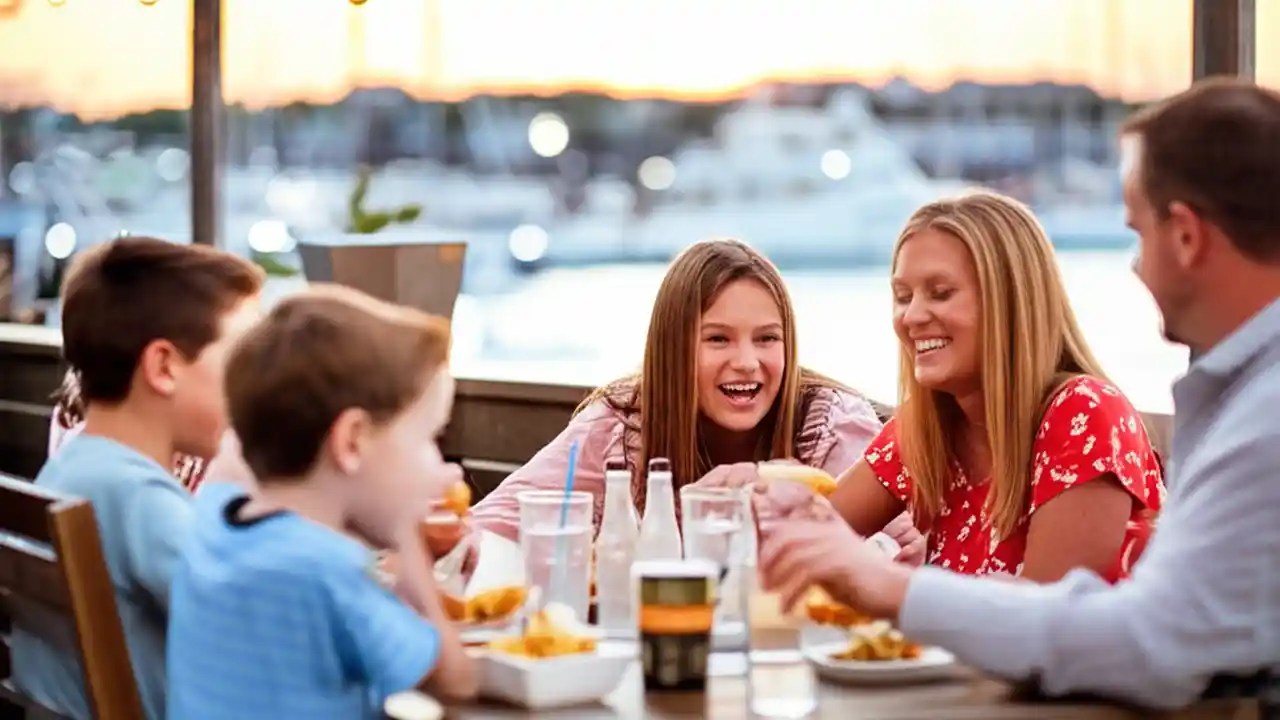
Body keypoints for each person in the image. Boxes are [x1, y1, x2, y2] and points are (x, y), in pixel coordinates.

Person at [759, 77, 1280, 709]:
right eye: (902, 296)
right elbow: (818, 540)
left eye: (1137, 232)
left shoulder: (1216, 419)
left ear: (1188, 236)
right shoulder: (929, 426)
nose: (1136, 266)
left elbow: (1136, 640)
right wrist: (767, 497)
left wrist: (885, 585)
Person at [468, 238, 921, 559]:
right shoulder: (619, 427)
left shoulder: (830, 425)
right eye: (718, 339)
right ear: (673, 348)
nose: (747, 361)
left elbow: (916, 550)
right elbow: (486, 527)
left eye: (766, 339)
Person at [166, 285, 478, 717]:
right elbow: (455, 679)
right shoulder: (329, 572)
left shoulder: (213, 517)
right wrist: (408, 543)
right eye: (428, 438)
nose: (441, 466)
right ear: (352, 441)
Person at [10, 237, 264, 720]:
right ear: (163, 367)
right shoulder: (137, 497)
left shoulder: (73, 470)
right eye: (241, 362)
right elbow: (264, 633)